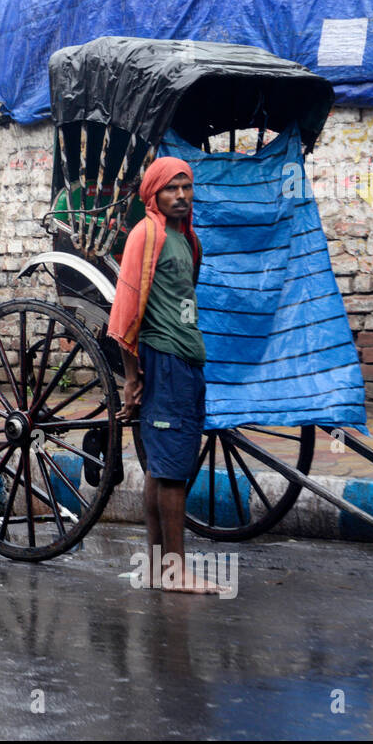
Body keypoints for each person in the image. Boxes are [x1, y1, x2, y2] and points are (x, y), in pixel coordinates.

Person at [107, 157, 223, 594]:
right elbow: (128, 305)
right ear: (153, 195)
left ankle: (159, 568)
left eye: (186, 188)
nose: (180, 196)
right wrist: (132, 376)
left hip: (189, 358)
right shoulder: (147, 233)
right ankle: (175, 570)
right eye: (171, 189)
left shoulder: (187, 239)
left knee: (163, 466)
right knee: (172, 471)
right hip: (164, 359)